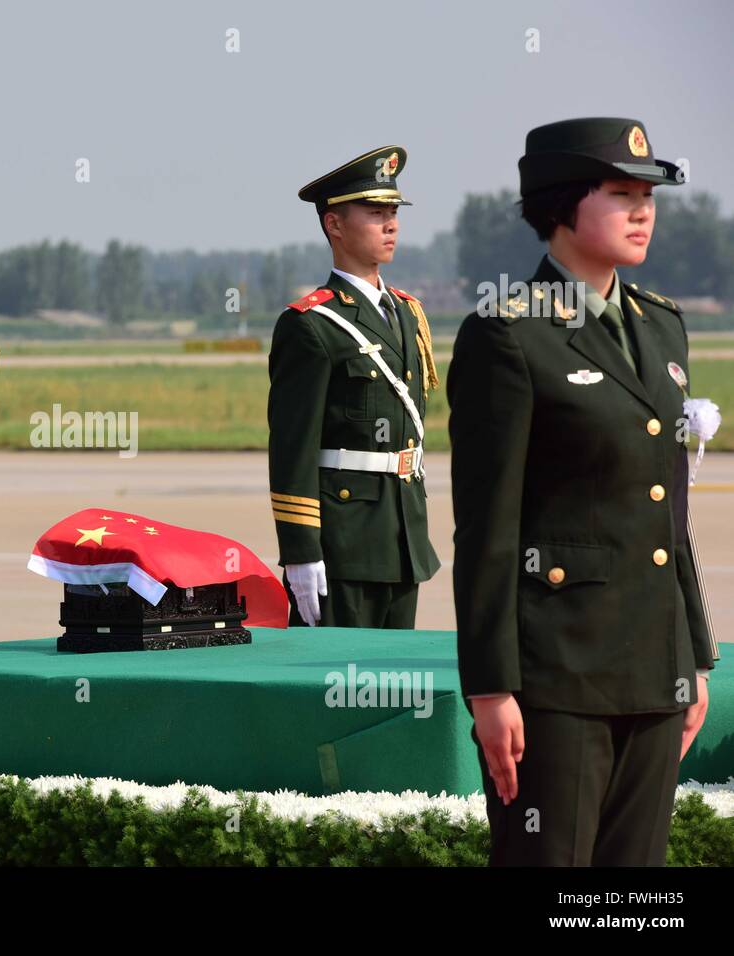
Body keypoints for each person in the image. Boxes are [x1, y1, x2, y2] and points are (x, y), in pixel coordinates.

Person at [450, 117, 719, 865]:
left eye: (650, 196)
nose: (643, 212)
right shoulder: (508, 334)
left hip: (653, 670)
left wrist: (692, 655)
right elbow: (488, 530)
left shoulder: (662, 328)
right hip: (557, 678)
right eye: (621, 193)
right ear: (563, 205)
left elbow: (668, 514)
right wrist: (491, 689)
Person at [268, 145, 441, 629]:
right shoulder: (311, 324)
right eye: (375, 213)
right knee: (335, 693)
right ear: (334, 225)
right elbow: (292, 448)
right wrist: (301, 552)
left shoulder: (408, 314)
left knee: (396, 689)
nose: (391, 225)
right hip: (342, 546)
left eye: (393, 213)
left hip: (403, 537)